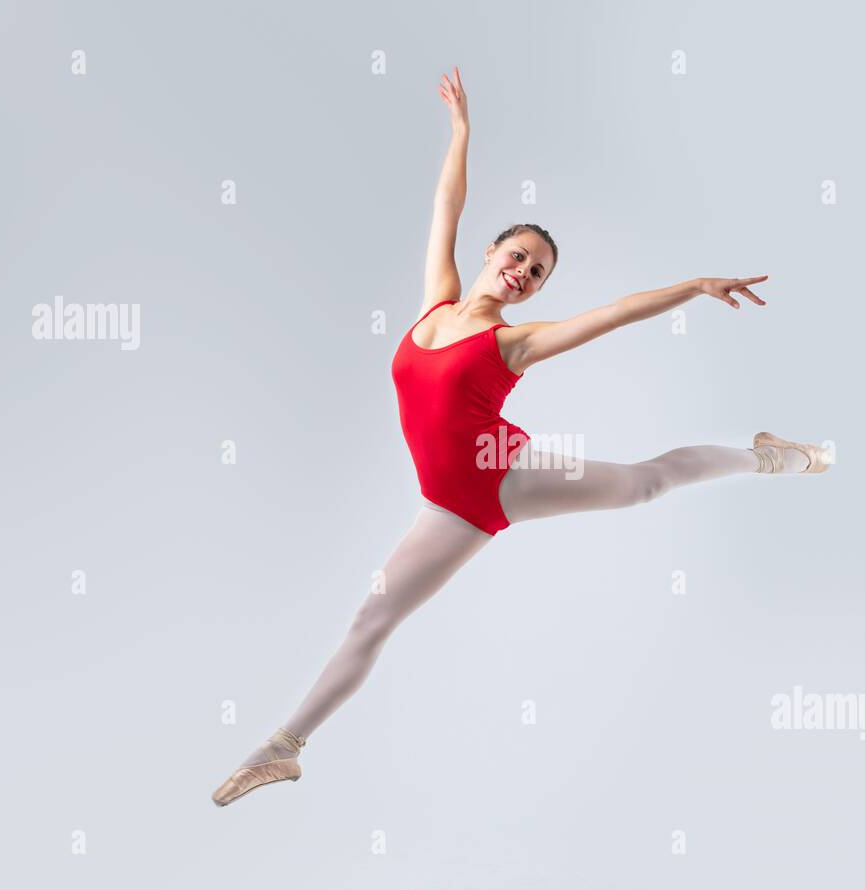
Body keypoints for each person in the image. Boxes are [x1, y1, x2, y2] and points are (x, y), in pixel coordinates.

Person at [213, 66, 829, 807]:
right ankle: (283, 751)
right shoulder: (434, 301)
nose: (524, 273)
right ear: (490, 254)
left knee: (643, 483)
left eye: (537, 273)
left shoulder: (514, 342)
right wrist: (463, 133)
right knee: (374, 615)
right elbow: (447, 202)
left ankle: (770, 455)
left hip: (498, 472)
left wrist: (694, 286)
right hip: (451, 498)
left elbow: (618, 311)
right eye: (518, 256)